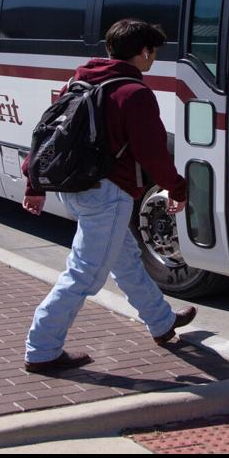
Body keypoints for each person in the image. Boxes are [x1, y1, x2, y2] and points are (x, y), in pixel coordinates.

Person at [21, 19, 195, 373]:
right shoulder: (134, 93)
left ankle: (161, 322)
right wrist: (177, 188)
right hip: (108, 194)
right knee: (84, 274)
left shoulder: (80, 80)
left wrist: (34, 184)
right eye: (154, 53)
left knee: (126, 259)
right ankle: (42, 349)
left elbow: (49, 135)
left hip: (75, 187)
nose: (153, 60)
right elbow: (153, 153)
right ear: (144, 51)